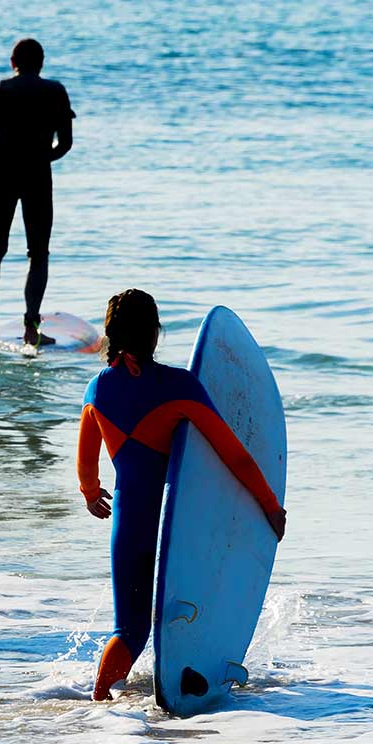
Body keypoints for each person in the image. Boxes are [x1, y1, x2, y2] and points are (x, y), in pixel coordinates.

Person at [77, 289, 287, 700]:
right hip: (182, 528)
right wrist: (269, 505)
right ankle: (186, 690)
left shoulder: (97, 391)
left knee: (129, 631)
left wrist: (90, 493)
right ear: (154, 334)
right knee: (187, 616)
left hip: (130, 524)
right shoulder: (179, 388)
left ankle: (97, 706)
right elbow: (236, 457)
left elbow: (86, 461)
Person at [0, 37, 75, 346]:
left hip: (3, 176)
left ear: (13, 63)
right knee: (38, 253)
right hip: (38, 177)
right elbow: (64, 144)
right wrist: (40, 156)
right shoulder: (55, 91)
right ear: (41, 63)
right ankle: (31, 328)